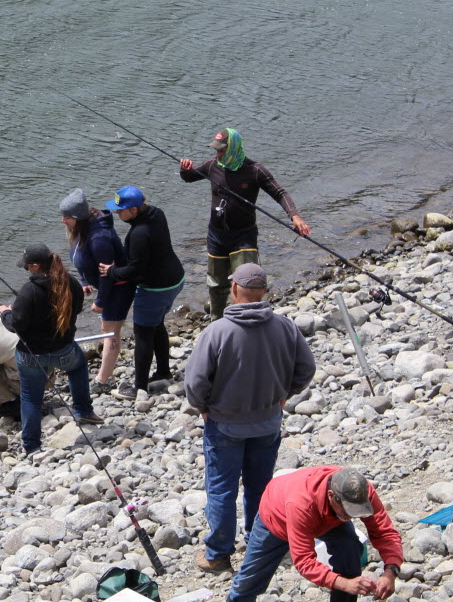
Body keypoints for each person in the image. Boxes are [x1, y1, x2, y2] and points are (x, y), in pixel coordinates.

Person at [184, 466, 403, 602]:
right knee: (248, 581)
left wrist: (390, 571)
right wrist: (344, 583)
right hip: (276, 519)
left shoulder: (360, 492)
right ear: (332, 496)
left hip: (326, 519)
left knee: (349, 547)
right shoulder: (301, 502)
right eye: (347, 511)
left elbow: (384, 531)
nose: (350, 517)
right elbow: (304, 561)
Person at [184, 263, 316, 574]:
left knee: (222, 490)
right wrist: (285, 394)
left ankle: (218, 555)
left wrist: (202, 406)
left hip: (224, 424)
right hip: (267, 421)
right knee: (260, 487)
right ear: (265, 292)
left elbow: (196, 382)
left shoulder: (217, 331)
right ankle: (260, 546)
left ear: (234, 290)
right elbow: (306, 368)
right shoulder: (285, 327)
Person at [179, 128, 311, 320]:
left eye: (222, 150)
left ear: (234, 148)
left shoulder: (255, 170)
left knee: (247, 283)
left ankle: (249, 319)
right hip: (216, 236)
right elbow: (188, 177)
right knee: (216, 285)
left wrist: (295, 216)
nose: (218, 154)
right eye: (216, 150)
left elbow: (280, 193)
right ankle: (217, 321)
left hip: (243, 237)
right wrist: (185, 168)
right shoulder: (212, 165)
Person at [0, 243, 101, 456]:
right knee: (78, 367)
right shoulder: (70, 282)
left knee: (30, 397)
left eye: (27, 266)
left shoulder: (28, 291)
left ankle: (31, 445)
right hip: (64, 349)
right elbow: (76, 309)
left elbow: (15, 325)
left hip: (31, 355)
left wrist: (5, 313)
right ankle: (83, 410)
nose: (26, 270)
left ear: (36, 266)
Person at [98, 186, 185, 400]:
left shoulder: (139, 234)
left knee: (143, 334)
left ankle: (139, 388)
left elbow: (134, 271)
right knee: (157, 325)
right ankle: (163, 371)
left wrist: (111, 271)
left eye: (120, 210)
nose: (117, 213)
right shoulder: (156, 213)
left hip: (156, 289)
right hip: (176, 280)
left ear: (134, 210)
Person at [61, 188, 135, 394]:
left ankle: (102, 380)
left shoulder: (99, 238)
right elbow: (80, 256)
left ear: (78, 218)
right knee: (106, 328)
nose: (63, 221)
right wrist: (85, 280)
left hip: (118, 288)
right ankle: (103, 374)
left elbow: (107, 274)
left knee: (110, 331)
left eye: (66, 217)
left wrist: (100, 301)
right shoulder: (82, 230)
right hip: (107, 286)